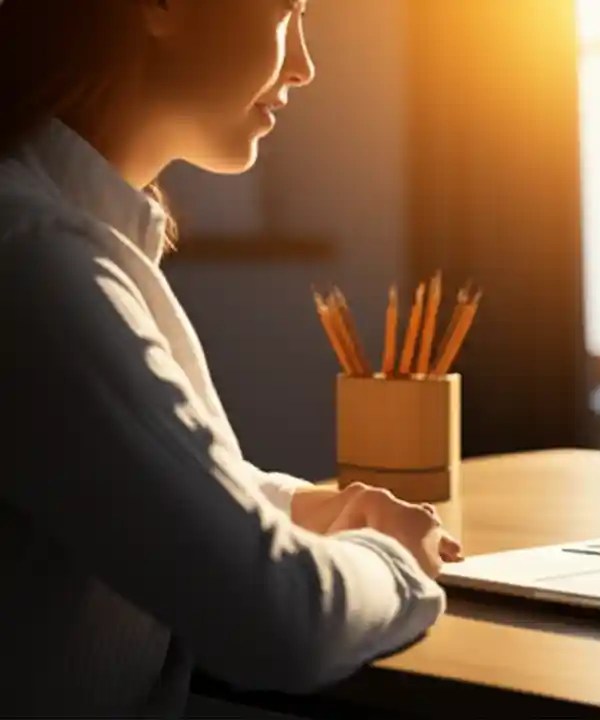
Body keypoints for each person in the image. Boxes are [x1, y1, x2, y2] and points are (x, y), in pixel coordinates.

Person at [0, 0, 463, 715]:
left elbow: (119, 475)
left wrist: (303, 507)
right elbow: (281, 622)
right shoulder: (34, 261)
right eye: (287, 11)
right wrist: (396, 563)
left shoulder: (62, 233)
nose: (304, 65)